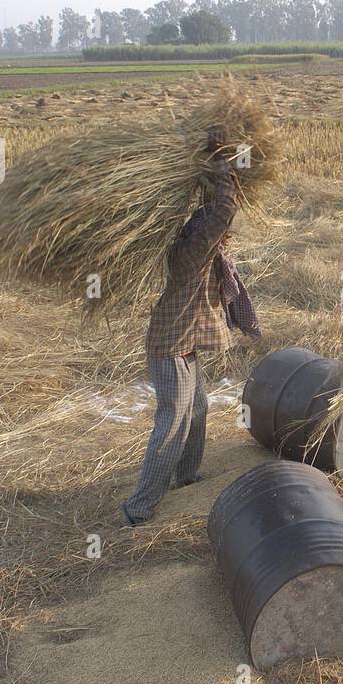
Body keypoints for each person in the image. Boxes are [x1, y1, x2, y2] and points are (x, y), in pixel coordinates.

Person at [121, 134, 260, 526]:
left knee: (198, 409)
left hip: (184, 343)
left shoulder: (196, 240)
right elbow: (223, 212)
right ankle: (140, 506)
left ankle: (187, 477)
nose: (228, 238)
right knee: (174, 421)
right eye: (224, 234)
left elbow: (214, 213)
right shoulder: (196, 248)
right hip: (170, 347)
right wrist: (221, 167)